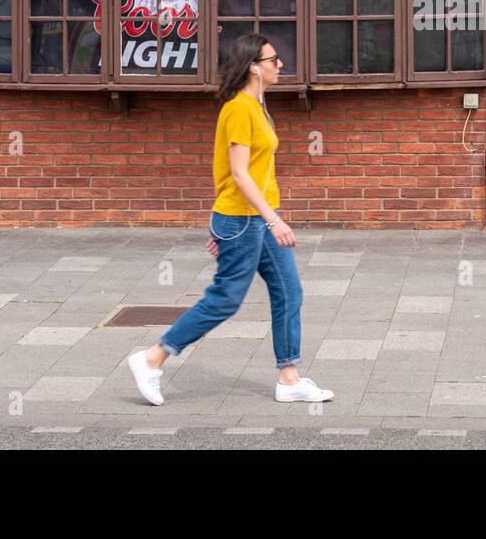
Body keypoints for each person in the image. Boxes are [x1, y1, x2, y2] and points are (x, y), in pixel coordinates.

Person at [125, 33, 332, 405]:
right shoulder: (239, 109)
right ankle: (151, 358)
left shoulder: (256, 105)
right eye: (273, 60)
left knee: (289, 291)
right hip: (244, 219)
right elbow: (238, 173)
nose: (279, 65)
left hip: (253, 217)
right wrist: (271, 221)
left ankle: (289, 378)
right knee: (225, 299)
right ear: (254, 66)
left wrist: (262, 218)